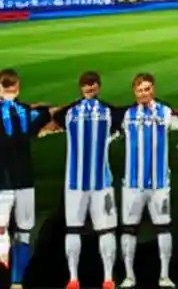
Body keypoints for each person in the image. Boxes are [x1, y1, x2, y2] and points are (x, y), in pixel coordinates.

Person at [51, 71, 119, 289]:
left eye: (93, 85)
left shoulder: (109, 111)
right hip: (76, 184)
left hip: (102, 182)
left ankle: (108, 278)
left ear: (98, 87)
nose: (90, 89)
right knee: (73, 229)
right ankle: (73, 278)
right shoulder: (69, 112)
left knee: (106, 230)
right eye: (86, 86)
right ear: (81, 88)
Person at [118, 73, 178, 289]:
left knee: (163, 228)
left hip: (159, 183)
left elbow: (173, 126)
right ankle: (129, 276)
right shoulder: (128, 115)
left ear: (153, 90)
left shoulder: (165, 113)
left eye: (147, 89)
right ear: (134, 93)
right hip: (133, 183)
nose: (144, 93)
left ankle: (164, 276)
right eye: (140, 90)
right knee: (129, 229)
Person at [0, 68, 53, 289]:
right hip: (25, 181)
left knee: (1, 231)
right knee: (23, 232)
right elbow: (44, 115)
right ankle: (17, 282)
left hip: (2, 182)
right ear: (18, 87)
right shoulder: (27, 112)